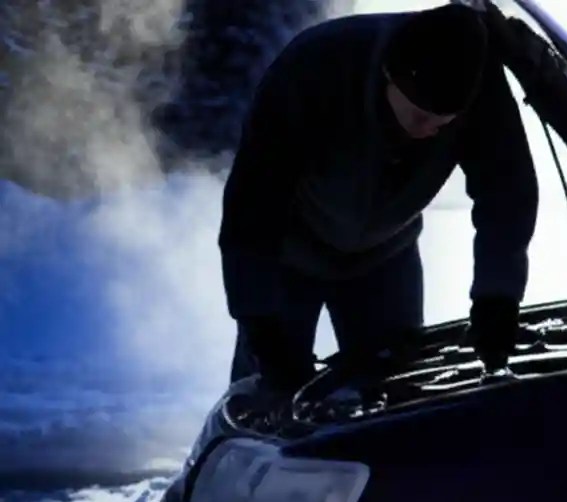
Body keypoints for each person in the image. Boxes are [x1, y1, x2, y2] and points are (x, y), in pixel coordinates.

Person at [218, 3, 538, 396]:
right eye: (420, 116)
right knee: (267, 394)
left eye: (443, 124)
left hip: (387, 255)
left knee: (396, 393)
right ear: (389, 75)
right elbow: (251, 202)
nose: (429, 131)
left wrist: (497, 296)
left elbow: (507, 191)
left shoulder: (479, 83)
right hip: (288, 255)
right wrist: (259, 321)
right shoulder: (313, 66)